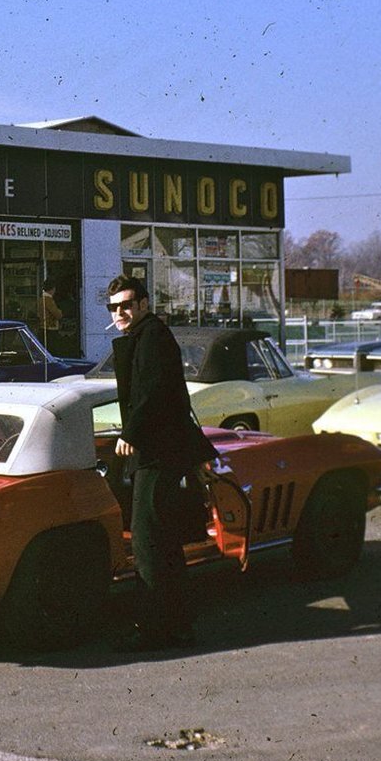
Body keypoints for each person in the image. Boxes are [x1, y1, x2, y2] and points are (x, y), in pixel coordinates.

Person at [106, 274, 218, 652]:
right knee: (164, 540)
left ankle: (154, 628)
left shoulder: (151, 336)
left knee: (148, 539)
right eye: (113, 307)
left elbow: (151, 392)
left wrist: (130, 434)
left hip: (156, 451)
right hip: (163, 450)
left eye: (126, 305)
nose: (119, 312)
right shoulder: (144, 336)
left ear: (143, 304)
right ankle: (177, 624)